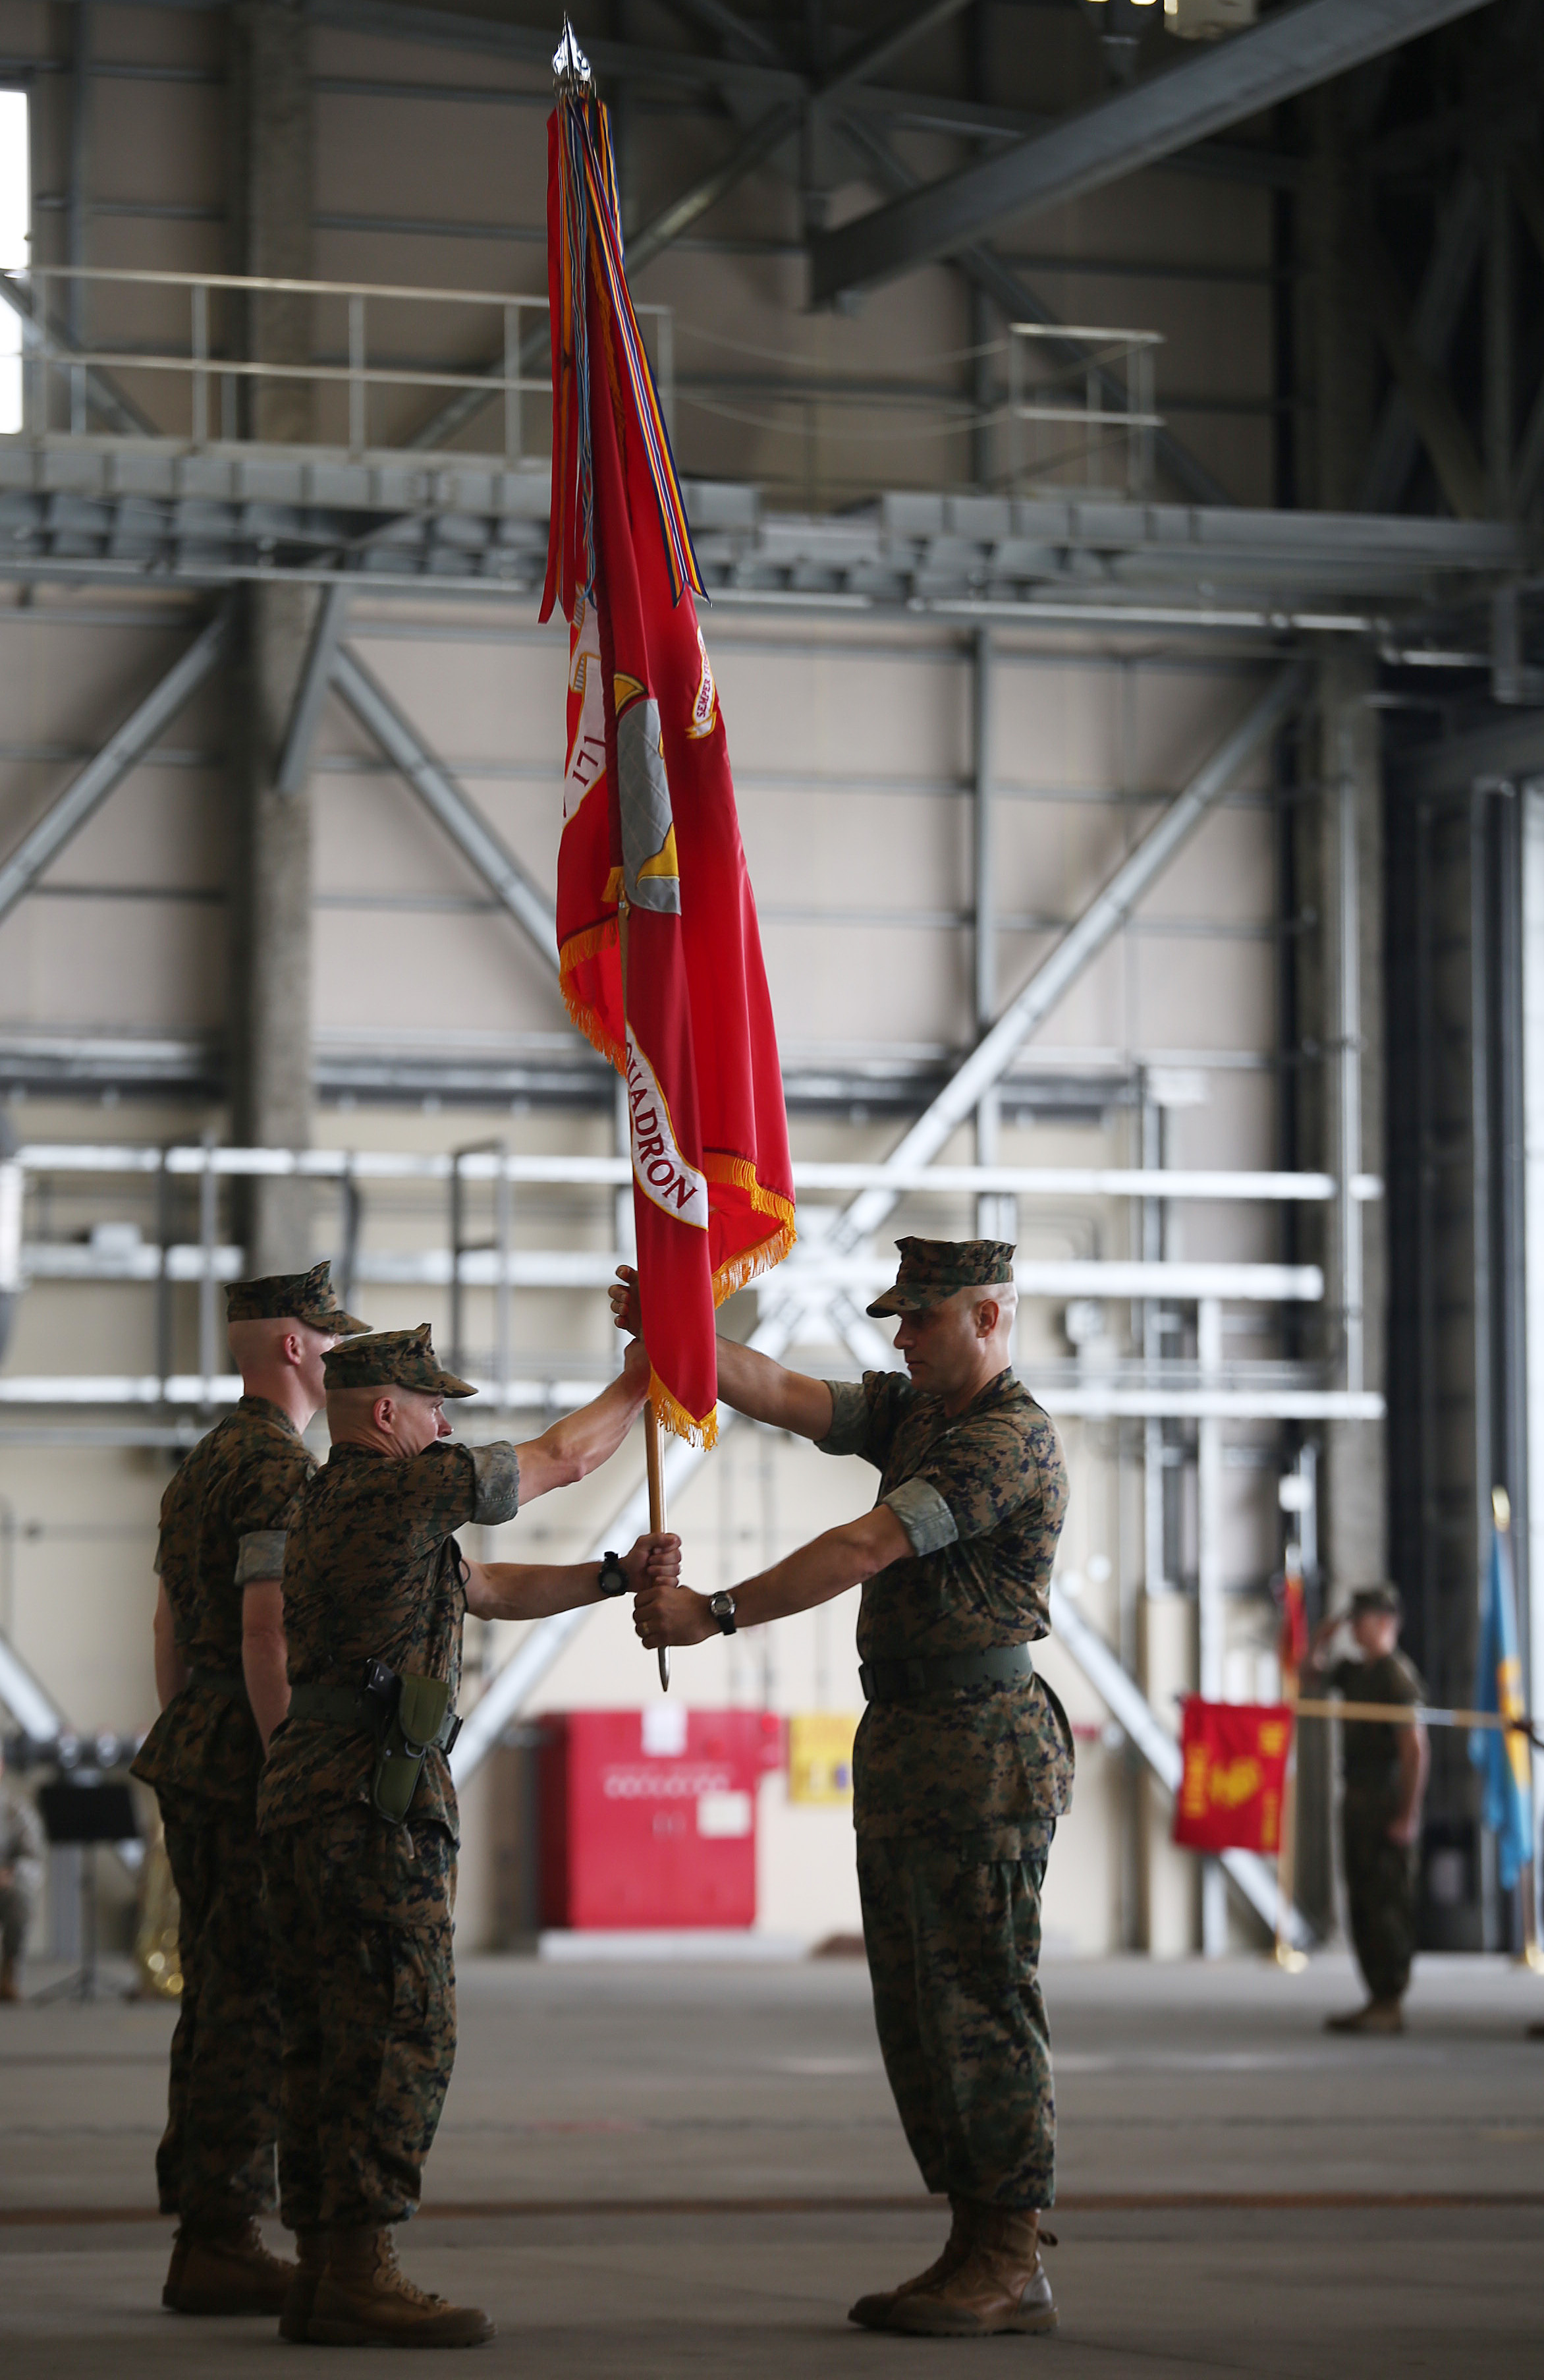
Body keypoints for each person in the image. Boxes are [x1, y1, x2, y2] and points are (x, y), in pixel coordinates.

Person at [619, 1236, 1073, 2340]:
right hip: (915, 1739)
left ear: (988, 1314)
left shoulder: (1004, 1438)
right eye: (895, 1318)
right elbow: (779, 1391)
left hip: (980, 1749)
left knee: (977, 1998)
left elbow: (868, 1543)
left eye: (921, 1318)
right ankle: (973, 2240)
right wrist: (673, 1329)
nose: (901, 1336)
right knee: (920, 2006)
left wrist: (715, 1610)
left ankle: (1009, 2254)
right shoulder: (915, 1410)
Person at [259, 1320, 678, 2348]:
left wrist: (613, 1576)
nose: (448, 1425)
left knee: (323, 2034)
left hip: (313, 1794)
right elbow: (564, 1457)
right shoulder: (404, 1486)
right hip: (373, 1802)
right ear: (386, 1414)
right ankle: (361, 2267)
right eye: (434, 1407)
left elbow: (484, 1590)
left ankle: (325, 2268)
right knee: (400, 2028)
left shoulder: (328, 1508)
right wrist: (644, 1378)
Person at [130, 1261, 366, 2316]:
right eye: (327, 1339)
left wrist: (198, 1723)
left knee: (219, 1990)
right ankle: (221, 2233)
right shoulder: (277, 1467)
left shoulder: (204, 1462)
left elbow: (169, 1632)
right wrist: (286, 1768)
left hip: (196, 1742)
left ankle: (209, 2224)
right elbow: (266, 1625)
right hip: (249, 1756)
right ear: (293, 1347)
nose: (335, 1356)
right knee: (253, 1996)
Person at [1304, 1582, 1429, 2035]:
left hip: (1385, 1797)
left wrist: (1407, 1814)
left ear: (1384, 1622)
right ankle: (1375, 1996)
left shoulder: (1397, 1675)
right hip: (1356, 1795)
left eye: (1359, 1620)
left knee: (1386, 1902)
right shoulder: (1357, 1673)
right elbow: (1311, 1677)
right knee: (1361, 1898)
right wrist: (1322, 1638)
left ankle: (1390, 1998)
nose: (1353, 1628)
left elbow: (1415, 1749)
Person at [0, 1743, 44, 2000]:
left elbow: (34, 1861)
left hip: (5, 1887)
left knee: (21, 1896)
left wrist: (10, 1874)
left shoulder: (17, 1810)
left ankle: (10, 1974)